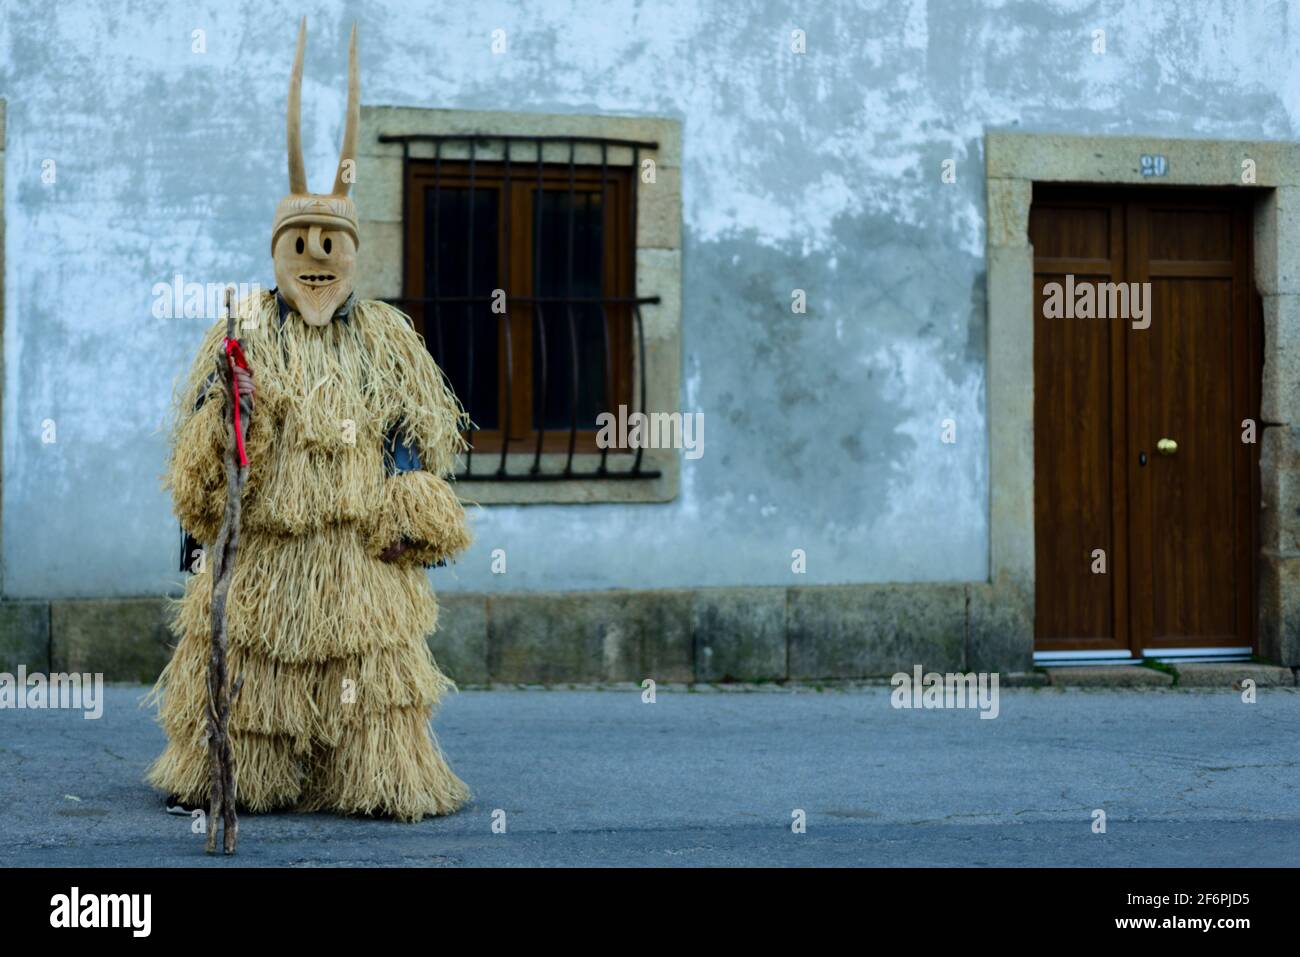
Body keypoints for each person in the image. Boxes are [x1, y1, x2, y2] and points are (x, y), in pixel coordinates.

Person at [146, 20, 472, 822]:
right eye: (300, 242)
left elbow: (412, 438)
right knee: (255, 676)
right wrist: (220, 424)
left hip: (358, 560)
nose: (317, 257)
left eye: (331, 242)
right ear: (276, 253)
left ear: (353, 252)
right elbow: (204, 451)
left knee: (374, 688)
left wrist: (411, 507)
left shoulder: (386, 339)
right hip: (267, 564)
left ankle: (374, 777)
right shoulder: (240, 333)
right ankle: (248, 771)